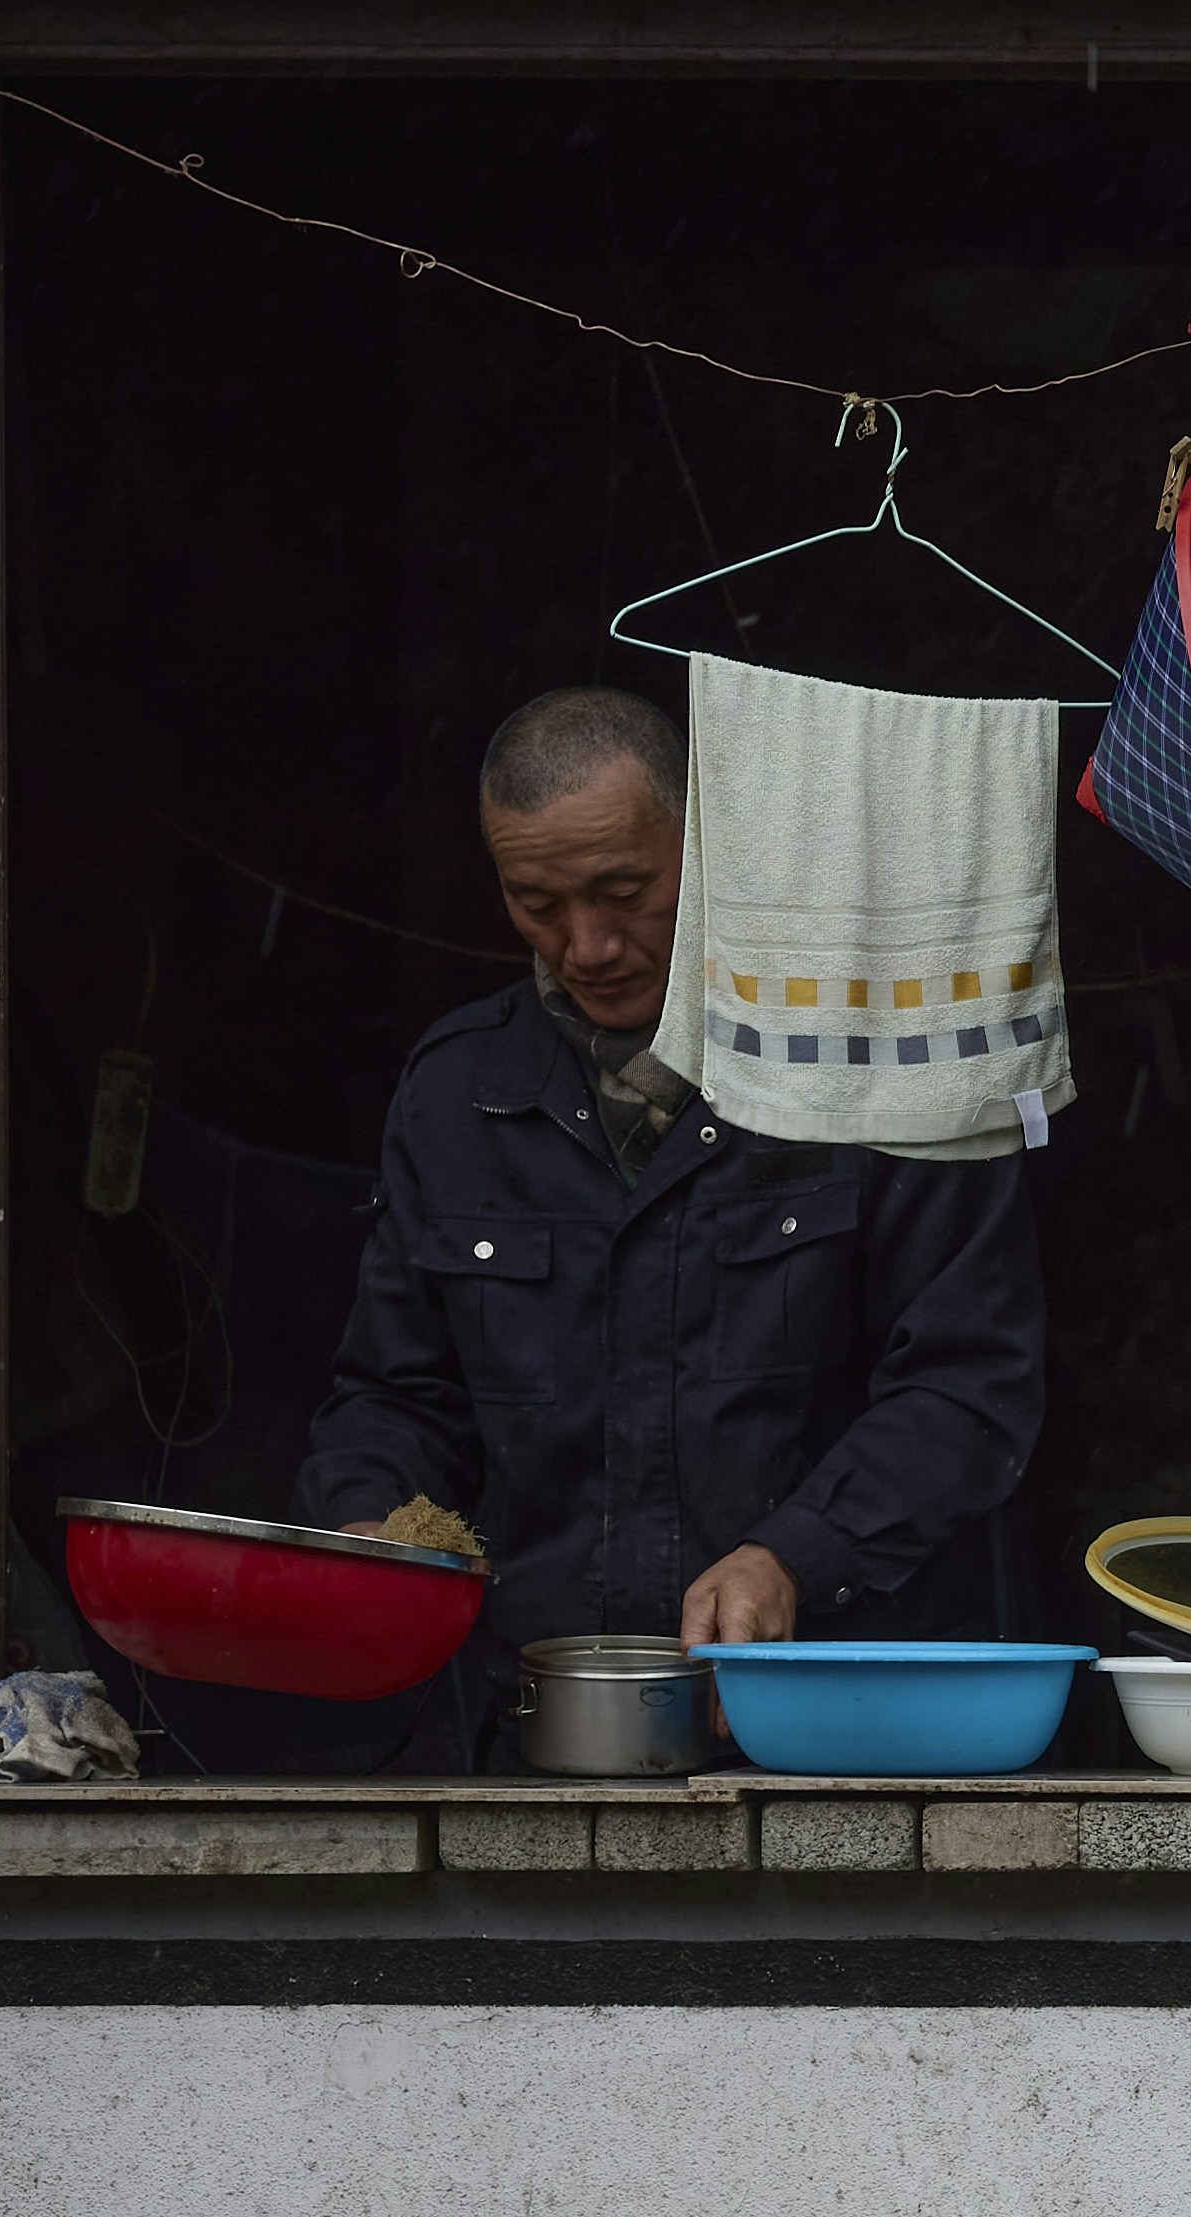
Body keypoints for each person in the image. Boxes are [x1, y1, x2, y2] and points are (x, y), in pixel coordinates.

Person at [293, 686, 1045, 1759]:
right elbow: (396, 1391)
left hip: (842, 1721)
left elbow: (972, 1385)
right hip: (538, 1732)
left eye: (625, 891)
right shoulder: (456, 1096)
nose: (587, 944)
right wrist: (370, 1519)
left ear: (708, 838)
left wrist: (795, 1551)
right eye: (536, 903)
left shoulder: (885, 1060)